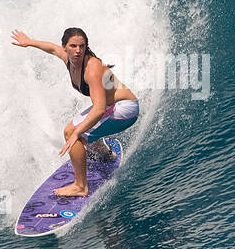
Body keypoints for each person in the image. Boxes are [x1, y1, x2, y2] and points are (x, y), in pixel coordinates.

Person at [11, 27, 139, 196]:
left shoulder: (92, 69)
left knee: (72, 132)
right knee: (77, 128)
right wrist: (29, 42)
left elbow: (99, 109)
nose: (78, 50)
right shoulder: (68, 58)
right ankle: (104, 154)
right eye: (73, 46)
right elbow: (52, 48)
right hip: (111, 106)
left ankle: (80, 186)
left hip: (125, 107)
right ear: (65, 47)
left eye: (82, 46)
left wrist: (77, 133)